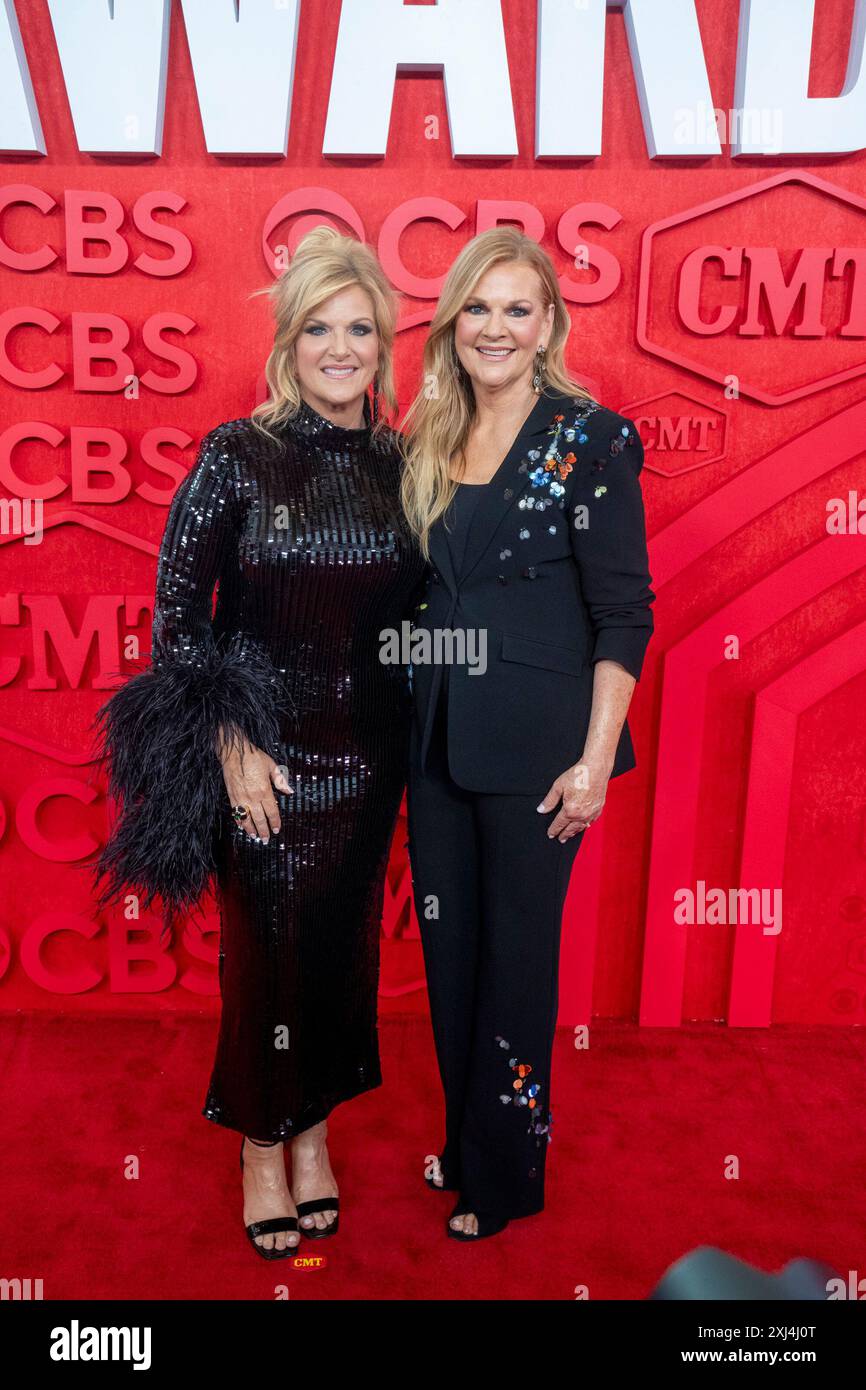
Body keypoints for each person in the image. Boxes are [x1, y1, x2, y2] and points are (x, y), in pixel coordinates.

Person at [89, 227, 426, 1258]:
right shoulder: (236, 455)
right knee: (266, 962)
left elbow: (425, 615)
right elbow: (179, 618)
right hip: (266, 764)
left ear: (381, 344)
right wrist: (232, 743)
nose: (339, 347)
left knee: (337, 957)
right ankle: (257, 1148)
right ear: (290, 340)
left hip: (366, 764)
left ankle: (313, 1134)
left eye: (358, 328)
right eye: (318, 326)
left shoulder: (403, 462)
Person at [399, 228, 655, 1240]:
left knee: (513, 962)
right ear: (453, 323)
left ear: (546, 321)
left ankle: (504, 1178)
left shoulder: (589, 437)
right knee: (447, 953)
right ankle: (465, 1144)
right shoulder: (427, 432)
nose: (495, 327)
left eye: (516, 308)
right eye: (477, 307)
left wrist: (594, 761)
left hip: (541, 757)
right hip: (434, 745)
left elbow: (622, 612)